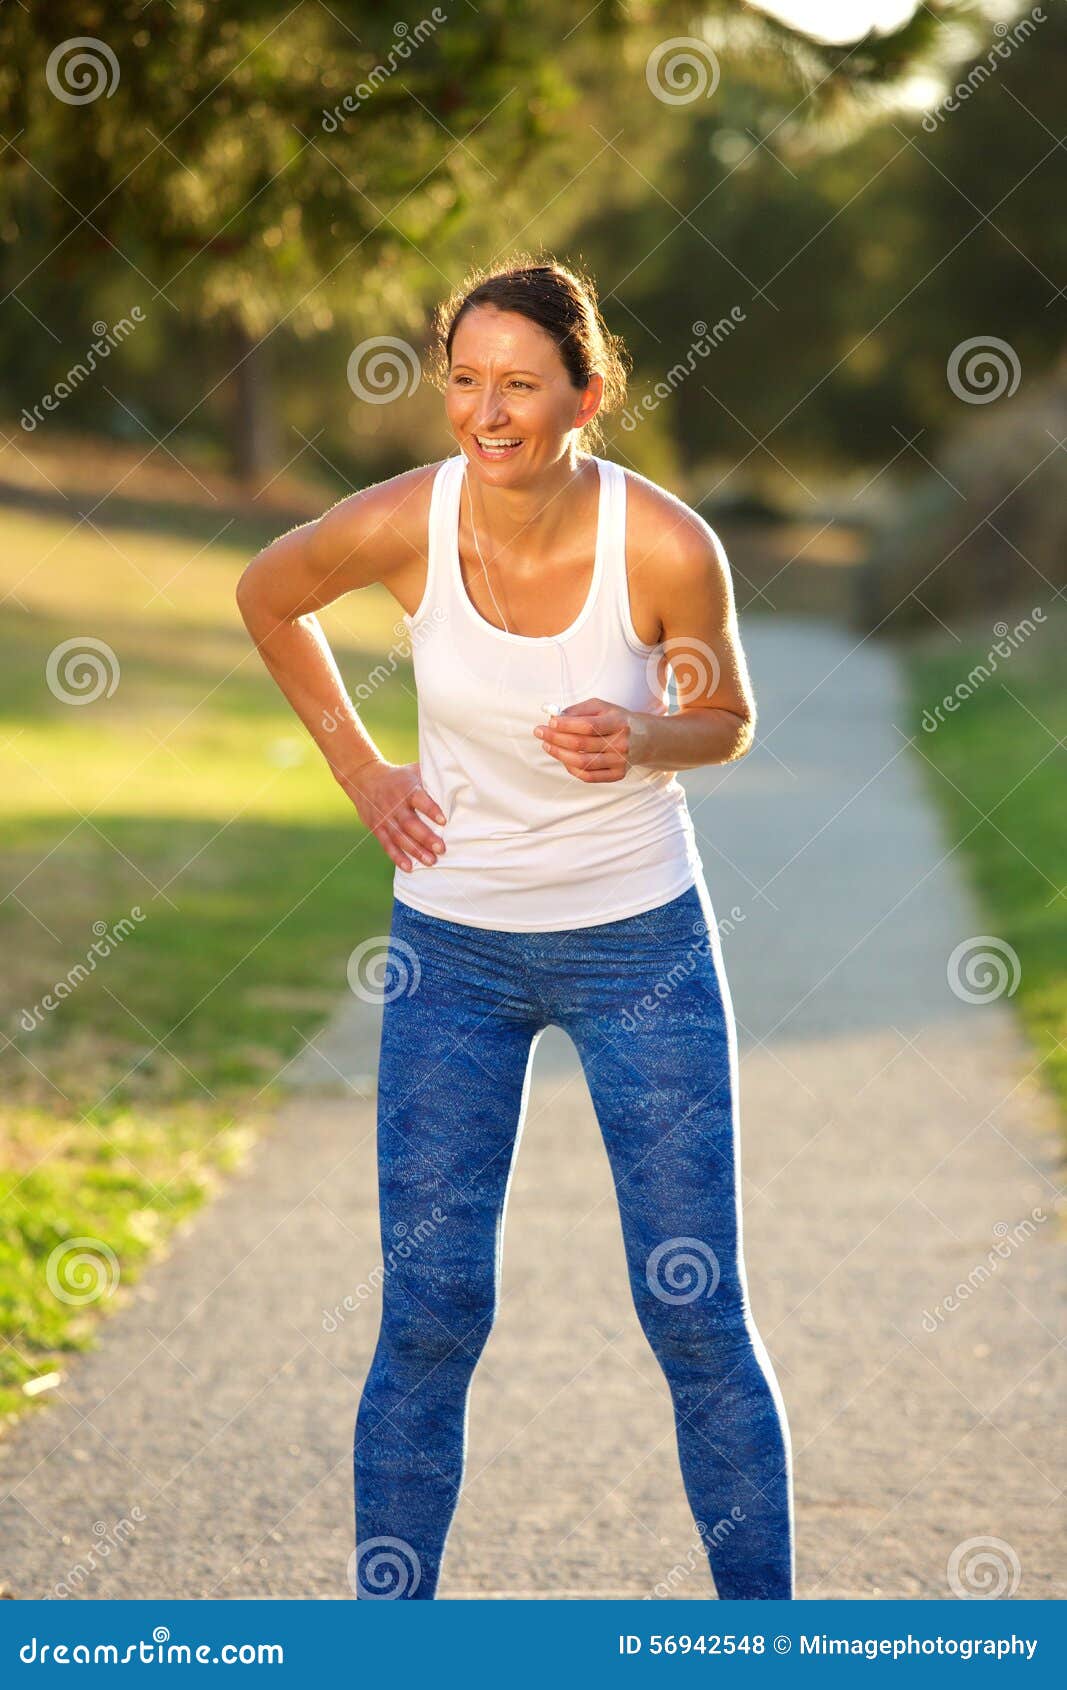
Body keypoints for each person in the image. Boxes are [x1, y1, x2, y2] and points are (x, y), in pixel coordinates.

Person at [236, 256, 794, 1601]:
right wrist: (364, 773)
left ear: (586, 393)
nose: (489, 412)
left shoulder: (663, 545)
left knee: (693, 1307)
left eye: (521, 385)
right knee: (431, 1312)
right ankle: (394, 1639)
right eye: (466, 381)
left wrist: (641, 735)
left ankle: (766, 1641)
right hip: (453, 953)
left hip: (637, 944)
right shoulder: (406, 522)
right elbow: (268, 593)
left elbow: (724, 722)